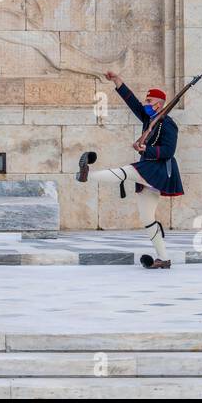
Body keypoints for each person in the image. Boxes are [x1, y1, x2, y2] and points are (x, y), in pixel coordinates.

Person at [76, 70, 184, 269]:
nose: (145, 103)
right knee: (147, 217)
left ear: (159, 104)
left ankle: (87, 174)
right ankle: (163, 258)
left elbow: (169, 150)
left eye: (149, 100)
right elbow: (132, 102)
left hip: (158, 169)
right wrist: (118, 81)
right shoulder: (149, 120)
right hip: (150, 170)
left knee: (126, 171)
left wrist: (146, 149)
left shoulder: (168, 124)